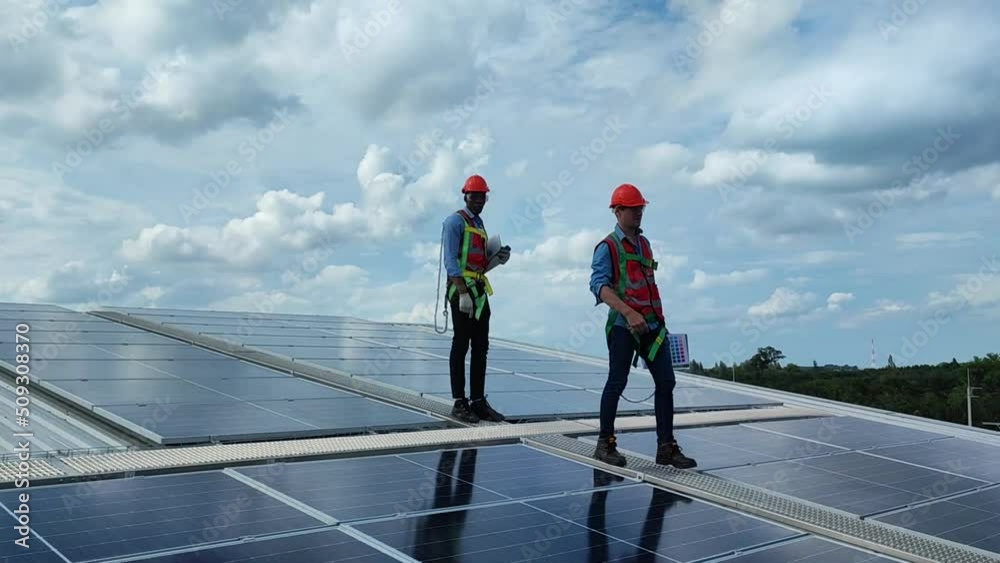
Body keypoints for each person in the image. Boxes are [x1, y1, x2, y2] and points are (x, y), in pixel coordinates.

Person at [588, 183, 697, 468]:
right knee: (616, 382)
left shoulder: (644, 244)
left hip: (652, 327)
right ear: (618, 211)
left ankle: (666, 447)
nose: (638, 214)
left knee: (666, 381)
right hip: (624, 327)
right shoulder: (607, 247)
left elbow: (648, 284)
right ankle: (605, 444)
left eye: (641, 209)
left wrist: (655, 320)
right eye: (633, 209)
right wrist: (628, 313)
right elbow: (599, 286)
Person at [442, 174, 510, 424]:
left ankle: (478, 401)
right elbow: (450, 260)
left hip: (479, 290)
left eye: (483, 196)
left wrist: (497, 259)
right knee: (461, 344)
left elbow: (479, 264)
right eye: (475, 195)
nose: (479, 200)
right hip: (462, 290)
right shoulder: (454, 222)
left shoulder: (480, 226)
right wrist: (461, 291)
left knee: (481, 346)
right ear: (466, 196)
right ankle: (459, 402)